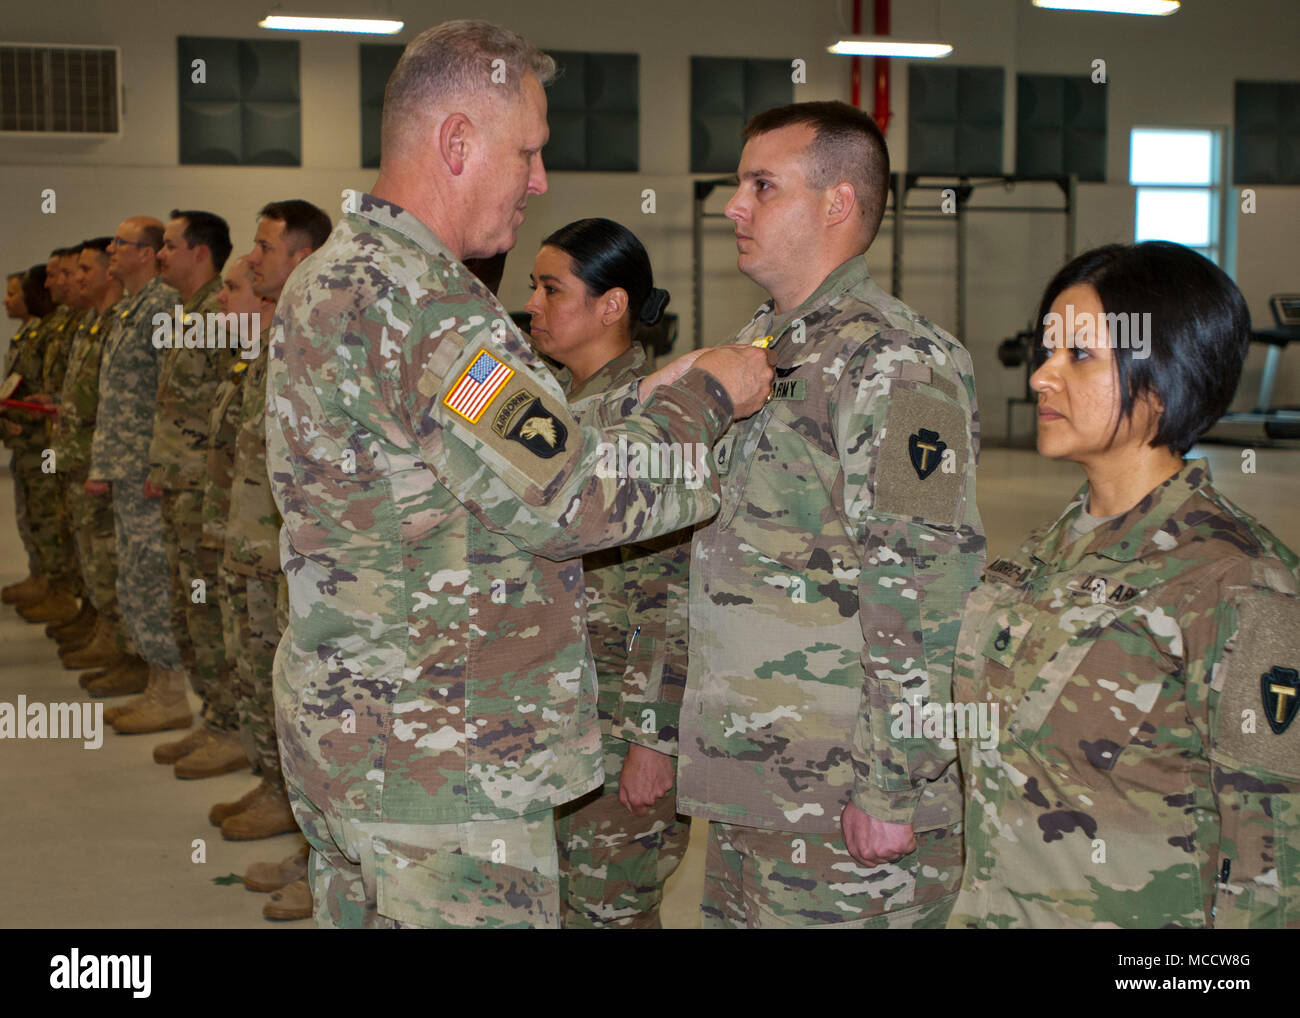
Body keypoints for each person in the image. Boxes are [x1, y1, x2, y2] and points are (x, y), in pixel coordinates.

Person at [266, 18, 770, 929]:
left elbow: (468, 469)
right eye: (528, 151)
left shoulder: (333, 277)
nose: (540, 181)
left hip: (350, 740)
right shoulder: (430, 309)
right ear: (457, 142)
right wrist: (702, 397)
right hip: (443, 767)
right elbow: (574, 498)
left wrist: (626, 404)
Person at [676, 101, 985, 928]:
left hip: (844, 794)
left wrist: (894, 782)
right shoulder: (768, 345)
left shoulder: (895, 360)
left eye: (762, 185)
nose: (735, 205)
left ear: (836, 203)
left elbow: (924, 583)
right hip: (762, 779)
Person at [947, 241, 1300, 929]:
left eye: (1078, 355)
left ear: (1164, 375)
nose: (1042, 378)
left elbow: (1271, 863)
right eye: (1046, 352)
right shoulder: (1046, 554)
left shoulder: (1235, 581)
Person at [525, 218, 692, 928]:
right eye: (532, 286)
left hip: (617, 728)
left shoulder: (648, 419)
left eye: (551, 288)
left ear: (612, 304)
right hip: (555, 717)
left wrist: (652, 740)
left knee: (608, 909)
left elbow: (671, 592)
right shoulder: (552, 406)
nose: (532, 303)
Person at [89, 217, 188, 733]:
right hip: (126, 468)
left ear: (147, 254)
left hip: (145, 469)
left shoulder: (162, 308)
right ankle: (155, 683)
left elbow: (170, 392)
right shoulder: (132, 308)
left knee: (152, 576)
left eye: (121, 242)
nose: (111, 248)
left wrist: (157, 461)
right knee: (134, 574)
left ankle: (171, 692)